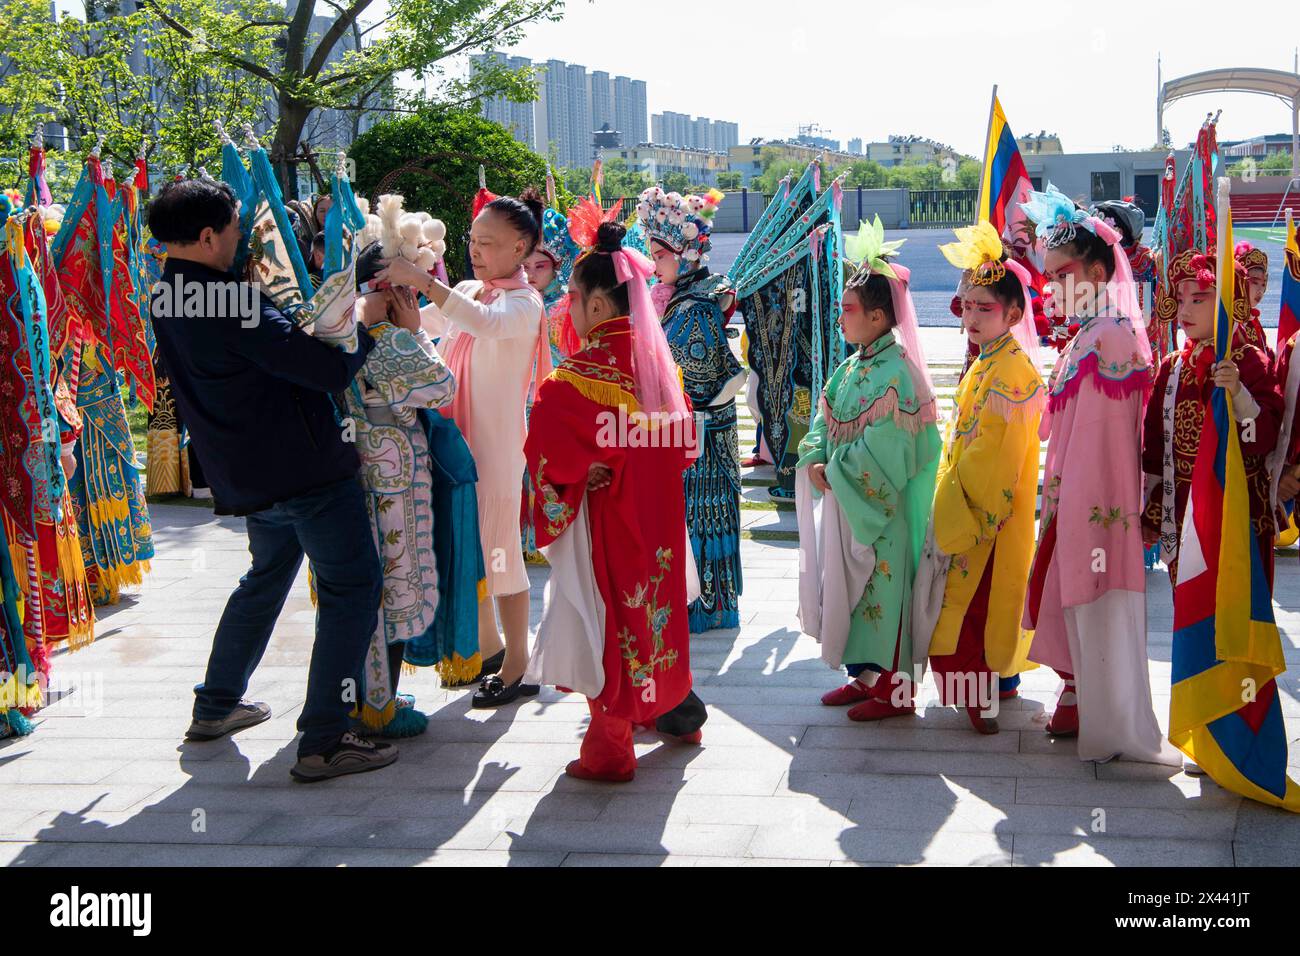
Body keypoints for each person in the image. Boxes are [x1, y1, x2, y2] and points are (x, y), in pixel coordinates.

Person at [147, 179, 394, 782]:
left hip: (248, 471)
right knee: (352, 590)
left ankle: (217, 704)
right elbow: (319, 368)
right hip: (303, 466)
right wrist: (367, 320)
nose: (240, 239)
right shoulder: (231, 301)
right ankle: (324, 739)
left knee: (265, 578)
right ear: (207, 237)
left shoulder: (167, 296)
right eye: (234, 228)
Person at [523, 220, 704, 781]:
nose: (568, 310)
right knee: (658, 615)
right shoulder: (660, 371)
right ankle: (678, 714)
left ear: (599, 305)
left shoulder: (569, 384)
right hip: (660, 523)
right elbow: (685, 447)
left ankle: (610, 749)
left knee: (610, 623)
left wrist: (581, 476)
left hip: (608, 525)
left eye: (574, 299)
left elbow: (546, 463)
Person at [1018, 186, 1178, 763]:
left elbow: (1105, 441)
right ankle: (1080, 688)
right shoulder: (1089, 333)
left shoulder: (1108, 335)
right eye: (1049, 274)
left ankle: (1096, 698)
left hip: (1095, 498)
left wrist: (1080, 503)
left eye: (1060, 274)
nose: (1050, 286)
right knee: (1064, 586)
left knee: (1089, 584)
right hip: (1072, 493)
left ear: (1093, 270)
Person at [379, 194, 549, 707]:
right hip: (454, 444)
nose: (476, 251)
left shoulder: (524, 304)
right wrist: (395, 299)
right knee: (465, 546)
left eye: (488, 243)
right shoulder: (473, 289)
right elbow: (439, 322)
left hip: (495, 452)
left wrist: (426, 282)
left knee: (498, 552)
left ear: (520, 248)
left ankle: (520, 661)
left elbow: (483, 323)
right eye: (472, 241)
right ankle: (490, 648)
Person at [796, 220, 942, 719]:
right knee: (856, 600)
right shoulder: (852, 367)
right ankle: (864, 677)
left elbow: (892, 451)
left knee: (885, 593)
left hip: (885, 514)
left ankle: (896, 690)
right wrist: (815, 456)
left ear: (879, 316)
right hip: (848, 503)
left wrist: (834, 471)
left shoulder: (899, 373)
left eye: (848, 310)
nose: (841, 319)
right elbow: (824, 416)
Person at [930, 222, 1045, 734]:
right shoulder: (987, 361)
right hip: (973, 501)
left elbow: (998, 455)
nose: (973, 317)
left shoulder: (1014, 371)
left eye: (986, 308)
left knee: (977, 602)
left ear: (1014, 314)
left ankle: (982, 696)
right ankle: (996, 686)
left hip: (988, 510)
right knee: (976, 601)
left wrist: (961, 500)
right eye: (968, 306)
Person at [345, 244, 456, 737]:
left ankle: (366, 699)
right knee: (389, 592)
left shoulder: (342, 327)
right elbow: (441, 386)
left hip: (363, 474)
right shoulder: (387, 337)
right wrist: (413, 334)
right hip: (389, 482)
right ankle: (378, 706)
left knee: (370, 593)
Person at [637, 186, 744, 632]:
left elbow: (708, 374)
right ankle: (694, 601)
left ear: (685, 255)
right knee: (686, 516)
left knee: (702, 514)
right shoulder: (677, 297)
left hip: (702, 432)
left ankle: (708, 606)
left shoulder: (698, 302)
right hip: (686, 429)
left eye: (659, 255)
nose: (652, 263)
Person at [1142, 249, 1282, 586]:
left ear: (1226, 301)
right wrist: (1153, 507)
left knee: (1236, 608)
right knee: (1190, 612)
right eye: (1180, 299)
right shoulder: (1172, 368)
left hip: (1239, 509)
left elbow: (1266, 436)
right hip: (1184, 510)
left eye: (1199, 300)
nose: (1185, 310)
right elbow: (1156, 448)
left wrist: (1238, 393)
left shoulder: (1251, 364)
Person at [1236, 241, 1270, 354]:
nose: (1260, 290)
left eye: (1263, 284)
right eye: (1255, 282)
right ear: (1240, 281)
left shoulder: (1253, 319)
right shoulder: (1231, 322)